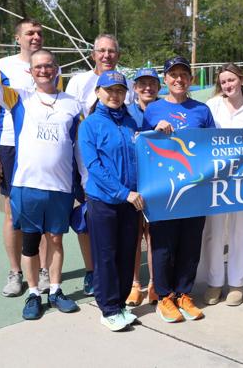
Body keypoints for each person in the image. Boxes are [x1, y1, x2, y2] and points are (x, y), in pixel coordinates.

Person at [0, 26, 81, 321]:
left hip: (60, 186)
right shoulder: (17, 97)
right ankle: (34, 293)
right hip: (26, 184)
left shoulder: (73, 104)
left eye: (48, 65)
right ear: (31, 72)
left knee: (57, 241)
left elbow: (78, 148)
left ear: (57, 70)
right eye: (38, 67)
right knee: (31, 242)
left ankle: (56, 289)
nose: (43, 71)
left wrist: (83, 179)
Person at [0, 18, 57, 297]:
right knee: (13, 212)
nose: (35, 37)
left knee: (44, 211)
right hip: (11, 146)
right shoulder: (2, 66)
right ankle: (15, 272)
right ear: (18, 38)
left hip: (42, 147)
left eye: (39, 32)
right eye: (29, 33)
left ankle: (42, 270)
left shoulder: (52, 67)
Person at [143, 56, 216, 323]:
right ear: (165, 79)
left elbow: (213, 146)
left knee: (190, 244)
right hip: (164, 190)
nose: (178, 79)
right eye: (173, 75)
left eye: (184, 75)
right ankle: (164, 296)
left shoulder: (202, 110)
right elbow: (140, 144)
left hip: (195, 190)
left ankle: (184, 293)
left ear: (191, 79)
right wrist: (153, 129)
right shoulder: (152, 110)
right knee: (163, 245)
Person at [66, 34, 135, 296]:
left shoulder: (123, 86)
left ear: (118, 54)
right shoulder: (79, 81)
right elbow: (70, 123)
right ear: (93, 53)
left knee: (117, 235)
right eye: (101, 51)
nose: (106, 55)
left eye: (111, 51)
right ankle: (91, 271)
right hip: (87, 167)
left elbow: (132, 126)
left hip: (119, 173)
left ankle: (117, 282)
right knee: (90, 224)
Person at [78, 71, 144, 332]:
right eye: (109, 90)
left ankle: (121, 304)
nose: (115, 95)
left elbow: (142, 154)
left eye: (119, 90)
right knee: (106, 255)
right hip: (104, 200)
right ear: (98, 93)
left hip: (131, 201)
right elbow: (94, 165)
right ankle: (107, 309)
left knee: (128, 254)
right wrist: (123, 192)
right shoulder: (90, 124)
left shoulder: (131, 122)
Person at [198, 63, 243, 307]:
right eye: (223, 81)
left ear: (241, 80)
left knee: (242, 229)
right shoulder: (211, 106)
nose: (227, 85)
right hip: (216, 180)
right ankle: (214, 282)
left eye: (231, 80)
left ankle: (237, 283)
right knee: (212, 231)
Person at [125, 67, 161, 307]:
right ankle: (134, 284)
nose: (147, 87)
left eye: (152, 83)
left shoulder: (165, 109)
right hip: (134, 183)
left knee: (156, 237)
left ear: (158, 87)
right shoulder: (125, 113)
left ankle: (155, 284)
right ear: (135, 87)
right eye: (142, 83)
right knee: (134, 237)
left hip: (160, 184)